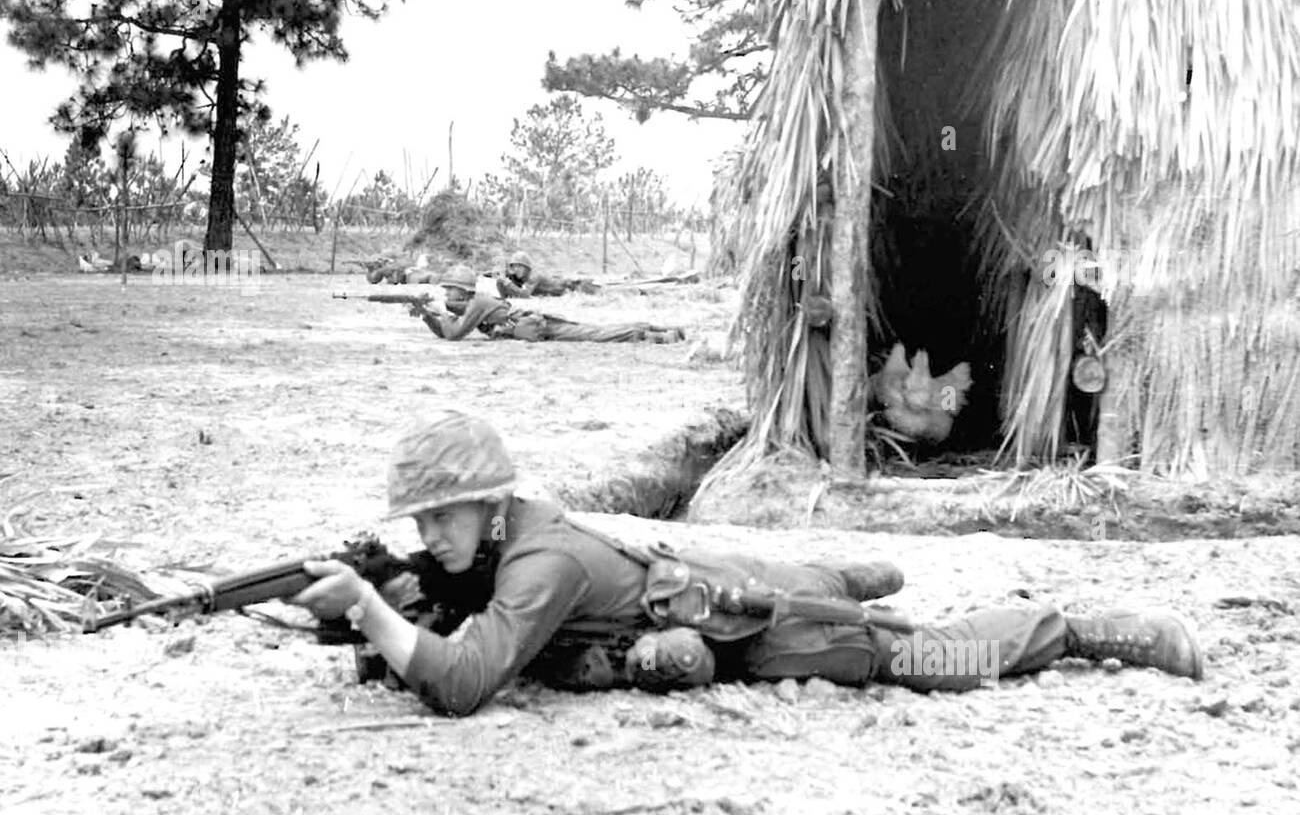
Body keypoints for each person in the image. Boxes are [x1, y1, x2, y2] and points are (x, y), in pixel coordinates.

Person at [289, 411, 1205, 718]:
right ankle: (851, 574)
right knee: (824, 585)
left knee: (923, 662)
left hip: (758, 620)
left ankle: (1079, 627)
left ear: (491, 504)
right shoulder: (511, 531)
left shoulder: (541, 563)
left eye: (443, 516)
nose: (434, 535)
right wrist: (386, 586)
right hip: (715, 570)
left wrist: (373, 611)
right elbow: (445, 586)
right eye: (424, 521)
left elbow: (463, 683)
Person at [411, 265, 684, 344]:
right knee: (592, 330)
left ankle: (658, 334)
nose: (447, 296)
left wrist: (436, 313)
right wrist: (427, 315)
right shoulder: (474, 304)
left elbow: (454, 334)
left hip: (537, 325)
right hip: (534, 323)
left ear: (462, 291)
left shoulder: (477, 304)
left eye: (449, 291)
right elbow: (449, 327)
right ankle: (658, 331)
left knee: (594, 334)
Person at [496, 251, 596, 299]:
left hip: (574, 287)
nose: (516, 269)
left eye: (519, 266)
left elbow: (525, 295)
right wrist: (500, 282)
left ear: (527, 268)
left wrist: (507, 282)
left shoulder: (532, 277)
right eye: (514, 267)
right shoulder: (521, 279)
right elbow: (507, 297)